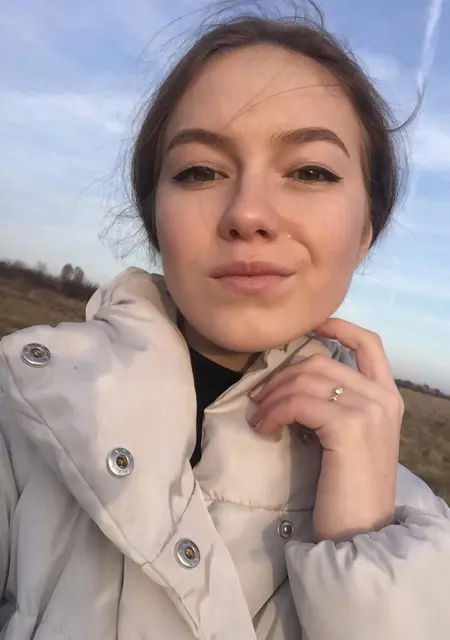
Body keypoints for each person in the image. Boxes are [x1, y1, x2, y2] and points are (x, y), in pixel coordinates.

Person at [0, 5, 449, 640]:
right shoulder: (21, 408)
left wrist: (367, 551)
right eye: (200, 172)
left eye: (310, 171)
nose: (247, 214)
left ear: (365, 232)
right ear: (157, 220)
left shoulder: (423, 544)